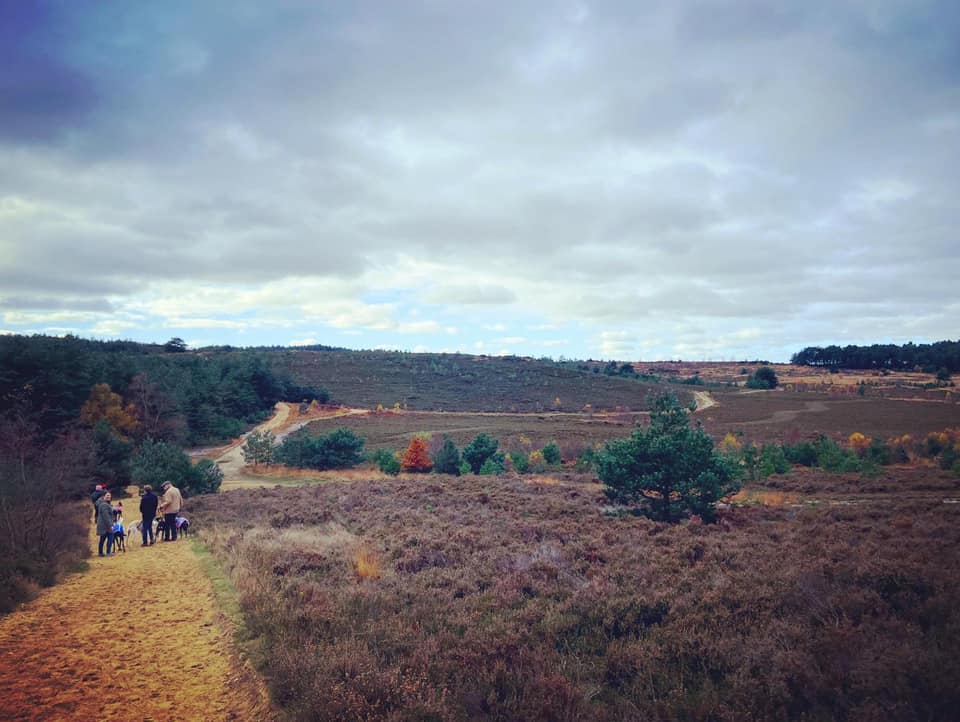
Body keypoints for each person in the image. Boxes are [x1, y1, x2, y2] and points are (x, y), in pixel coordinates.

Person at [95, 490, 115, 557]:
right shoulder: (104, 504)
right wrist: (110, 525)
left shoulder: (105, 503)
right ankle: (108, 552)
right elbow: (106, 516)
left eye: (109, 495)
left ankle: (100, 553)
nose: (108, 497)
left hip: (104, 525)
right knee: (110, 537)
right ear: (103, 496)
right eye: (107, 495)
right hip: (105, 525)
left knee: (102, 539)